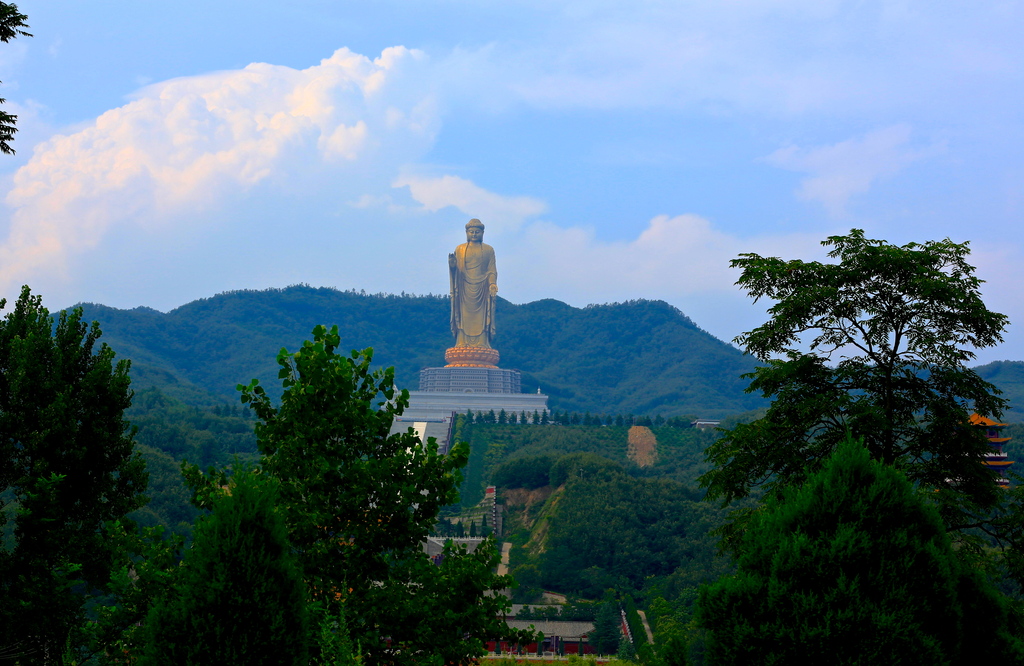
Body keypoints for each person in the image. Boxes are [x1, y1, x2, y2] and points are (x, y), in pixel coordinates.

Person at [449, 219, 498, 348]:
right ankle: (461, 342)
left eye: (477, 232)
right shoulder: (460, 249)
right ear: (466, 232)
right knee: (462, 316)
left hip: (483, 288)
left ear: (483, 233)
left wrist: (492, 284)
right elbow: (456, 271)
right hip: (463, 287)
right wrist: (453, 267)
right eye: (471, 232)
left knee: (482, 317)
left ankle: (482, 342)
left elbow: (491, 270)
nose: (474, 234)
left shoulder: (488, 250)